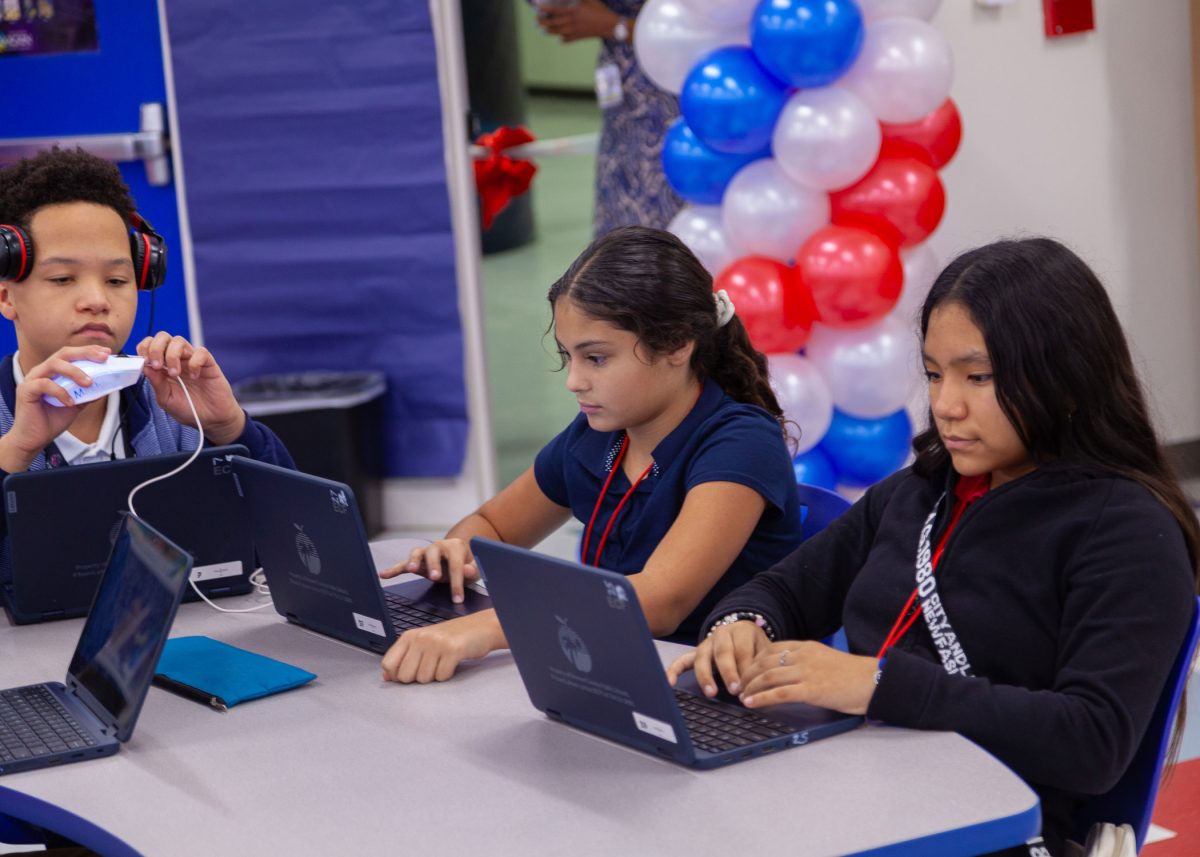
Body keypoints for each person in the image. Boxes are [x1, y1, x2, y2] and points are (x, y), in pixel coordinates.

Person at [667, 237, 1200, 857]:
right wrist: (741, 623)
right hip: (857, 791)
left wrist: (879, 684)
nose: (945, 406)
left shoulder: (1128, 530)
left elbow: (1092, 742)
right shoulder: (920, 491)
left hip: (994, 829)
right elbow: (786, 588)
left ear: (1067, 376)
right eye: (933, 373)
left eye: (978, 377)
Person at [380, 225, 804, 683]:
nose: (574, 381)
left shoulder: (741, 443)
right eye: (568, 357)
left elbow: (662, 602)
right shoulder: (599, 433)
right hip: (616, 669)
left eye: (596, 358)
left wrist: (486, 629)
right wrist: (456, 552)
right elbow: (493, 527)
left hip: (714, 687)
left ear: (679, 344)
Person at [0, 148, 294, 534]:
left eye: (117, 281)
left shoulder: (175, 410)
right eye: (62, 279)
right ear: (7, 297)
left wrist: (230, 428)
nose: (98, 301)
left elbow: (298, 533)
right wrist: (16, 452)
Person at [533, 0, 683, 237]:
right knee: (622, 231)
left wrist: (615, 26)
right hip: (624, 106)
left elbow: (702, 32)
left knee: (671, 228)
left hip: (679, 94)